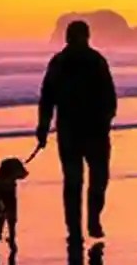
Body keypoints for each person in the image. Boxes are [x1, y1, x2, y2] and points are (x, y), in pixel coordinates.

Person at [36, 20, 117, 240]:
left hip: (77, 130)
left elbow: (47, 99)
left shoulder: (64, 62)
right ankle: (83, 226)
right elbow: (110, 97)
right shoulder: (90, 61)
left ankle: (85, 225)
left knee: (78, 181)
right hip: (88, 131)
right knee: (91, 179)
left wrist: (43, 128)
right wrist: (43, 127)